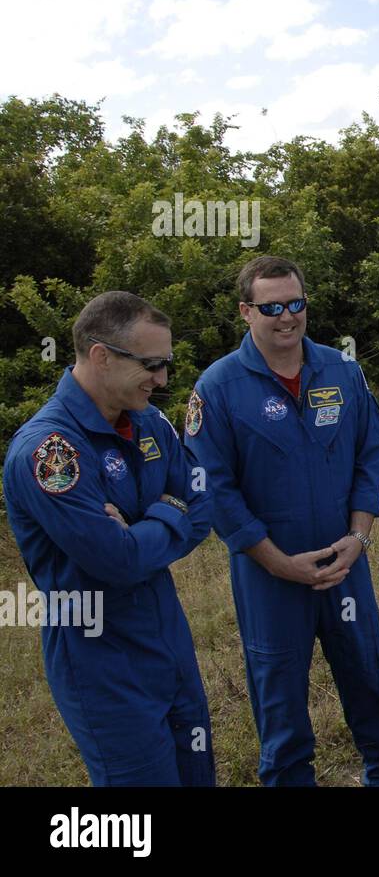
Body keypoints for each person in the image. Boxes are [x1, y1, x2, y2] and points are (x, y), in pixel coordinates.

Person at [185, 255, 379, 786]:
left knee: (372, 685)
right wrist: (277, 562)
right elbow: (212, 488)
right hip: (270, 574)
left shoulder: (341, 369)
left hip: (344, 562)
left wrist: (359, 535)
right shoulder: (218, 387)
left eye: (296, 304)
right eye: (272, 308)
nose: (287, 317)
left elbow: (369, 454)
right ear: (246, 310)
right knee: (280, 704)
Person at [3, 292, 214, 786]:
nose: (162, 379)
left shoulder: (148, 421)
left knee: (197, 774)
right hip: (101, 658)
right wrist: (169, 511)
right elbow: (115, 560)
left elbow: (203, 501)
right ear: (101, 355)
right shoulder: (50, 454)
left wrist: (159, 515)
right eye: (151, 364)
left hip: (168, 638)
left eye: (166, 363)